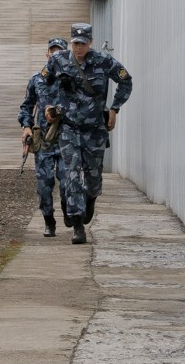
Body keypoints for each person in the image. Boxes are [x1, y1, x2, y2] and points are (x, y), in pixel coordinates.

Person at [39, 23, 132, 244]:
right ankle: (77, 224)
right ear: (71, 43)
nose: (78, 48)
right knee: (71, 174)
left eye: (82, 44)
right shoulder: (58, 60)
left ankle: (90, 199)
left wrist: (115, 109)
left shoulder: (103, 61)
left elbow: (125, 80)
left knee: (92, 178)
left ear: (90, 42)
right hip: (68, 128)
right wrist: (48, 106)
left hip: (95, 130)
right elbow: (43, 82)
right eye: (75, 43)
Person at [18, 37, 70, 237]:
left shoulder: (71, 79)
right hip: (45, 141)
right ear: (47, 54)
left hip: (66, 138)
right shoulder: (37, 79)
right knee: (44, 185)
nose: (55, 55)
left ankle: (69, 209)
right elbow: (26, 106)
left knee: (67, 182)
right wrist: (26, 127)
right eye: (52, 51)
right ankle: (49, 220)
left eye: (59, 52)